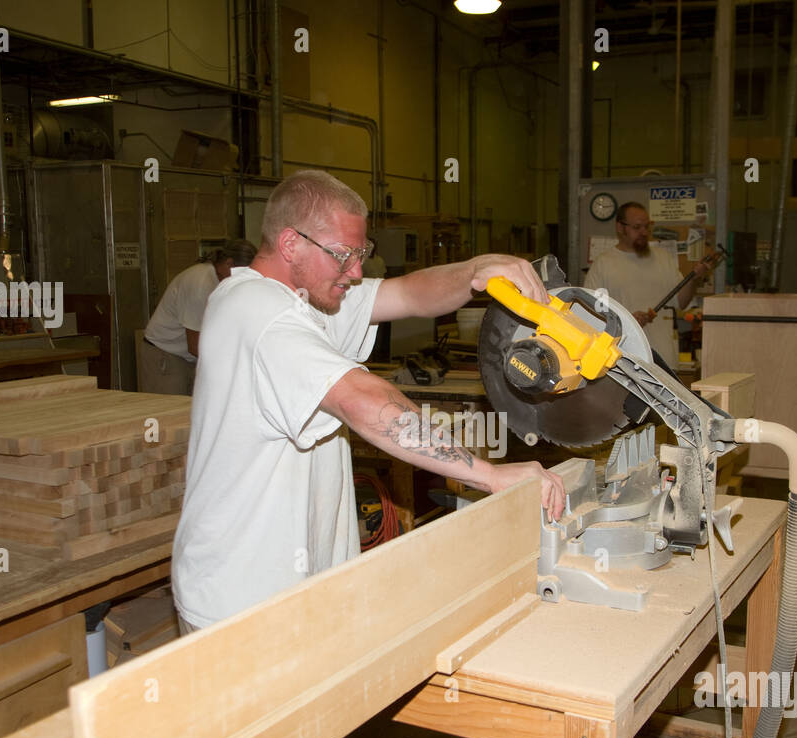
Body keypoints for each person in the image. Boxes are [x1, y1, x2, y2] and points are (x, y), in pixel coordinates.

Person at [171, 170, 566, 631]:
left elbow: (409, 293)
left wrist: (477, 271)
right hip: (242, 603)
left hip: (303, 593)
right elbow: (363, 400)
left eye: (361, 254)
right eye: (343, 256)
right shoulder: (257, 313)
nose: (355, 272)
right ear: (289, 244)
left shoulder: (310, 297)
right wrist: (490, 475)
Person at [583, 202, 708, 369]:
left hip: (664, 362)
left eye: (647, 226)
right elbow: (592, 313)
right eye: (637, 227)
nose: (644, 232)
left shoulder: (664, 259)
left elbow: (681, 302)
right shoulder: (603, 264)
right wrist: (626, 322)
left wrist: (694, 279)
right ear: (620, 227)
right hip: (623, 362)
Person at [139, 240, 257, 394]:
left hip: (189, 357)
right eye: (244, 273)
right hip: (166, 353)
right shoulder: (200, 283)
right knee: (171, 411)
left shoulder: (224, 283)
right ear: (229, 264)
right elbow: (194, 345)